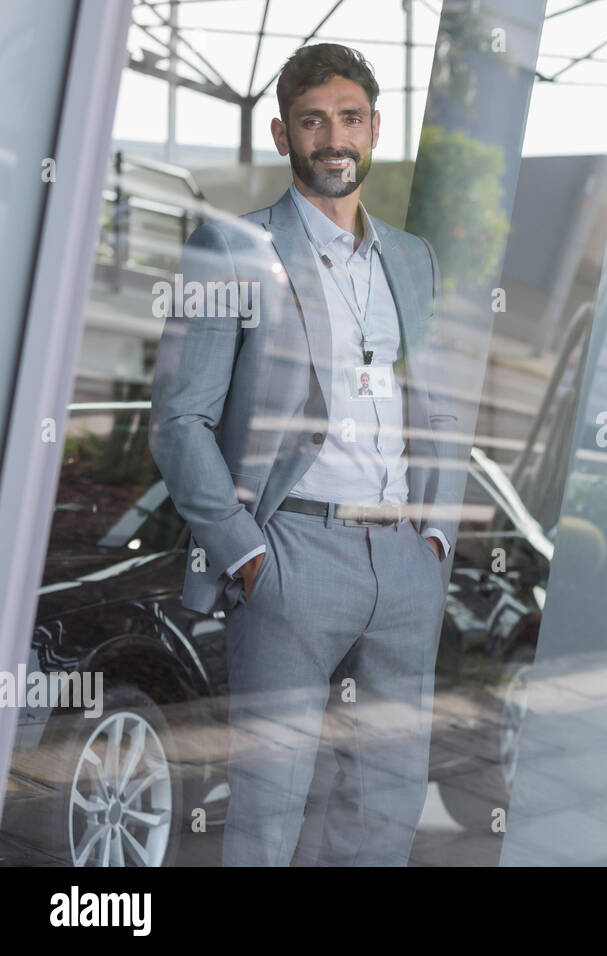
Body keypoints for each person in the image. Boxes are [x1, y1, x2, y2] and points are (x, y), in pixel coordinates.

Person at [149, 42, 458, 866]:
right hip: (291, 555)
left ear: (375, 129)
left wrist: (435, 542)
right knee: (268, 805)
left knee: (388, 800)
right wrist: (245, 552)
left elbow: (438, 410)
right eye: (314, 121)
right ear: (284, 134)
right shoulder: (233, 250)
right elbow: (179, 420)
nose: (334, 137)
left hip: (402, 560)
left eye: (350, 118)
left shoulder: (415, 260)